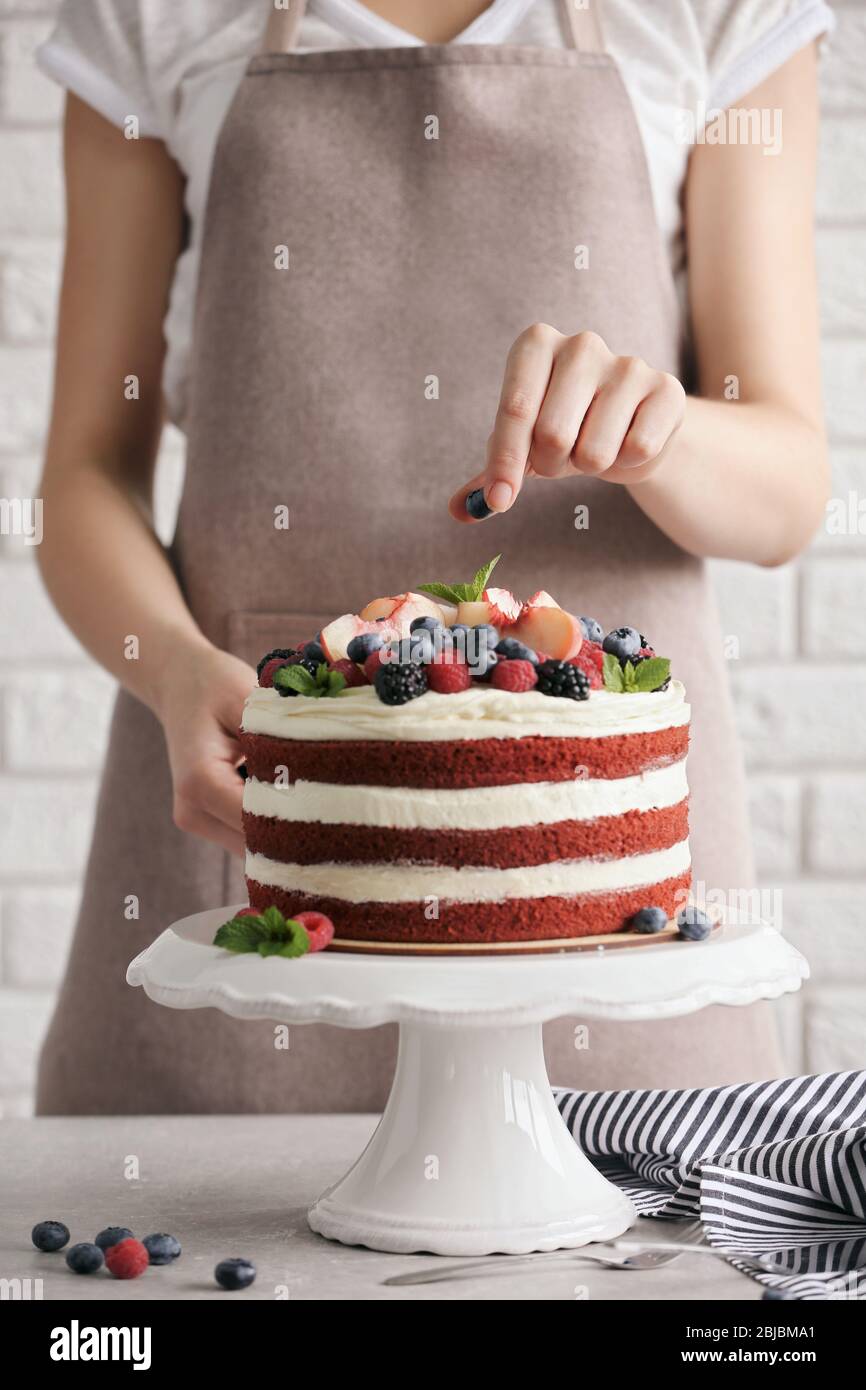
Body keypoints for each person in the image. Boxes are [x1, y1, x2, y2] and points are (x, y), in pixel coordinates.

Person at [34, 0, 831, 1114]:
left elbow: (789, 490)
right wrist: (171, 665)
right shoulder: (147, 15)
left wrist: (667, 431)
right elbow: (82, 473)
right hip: (253, 804)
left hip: (605, 893)